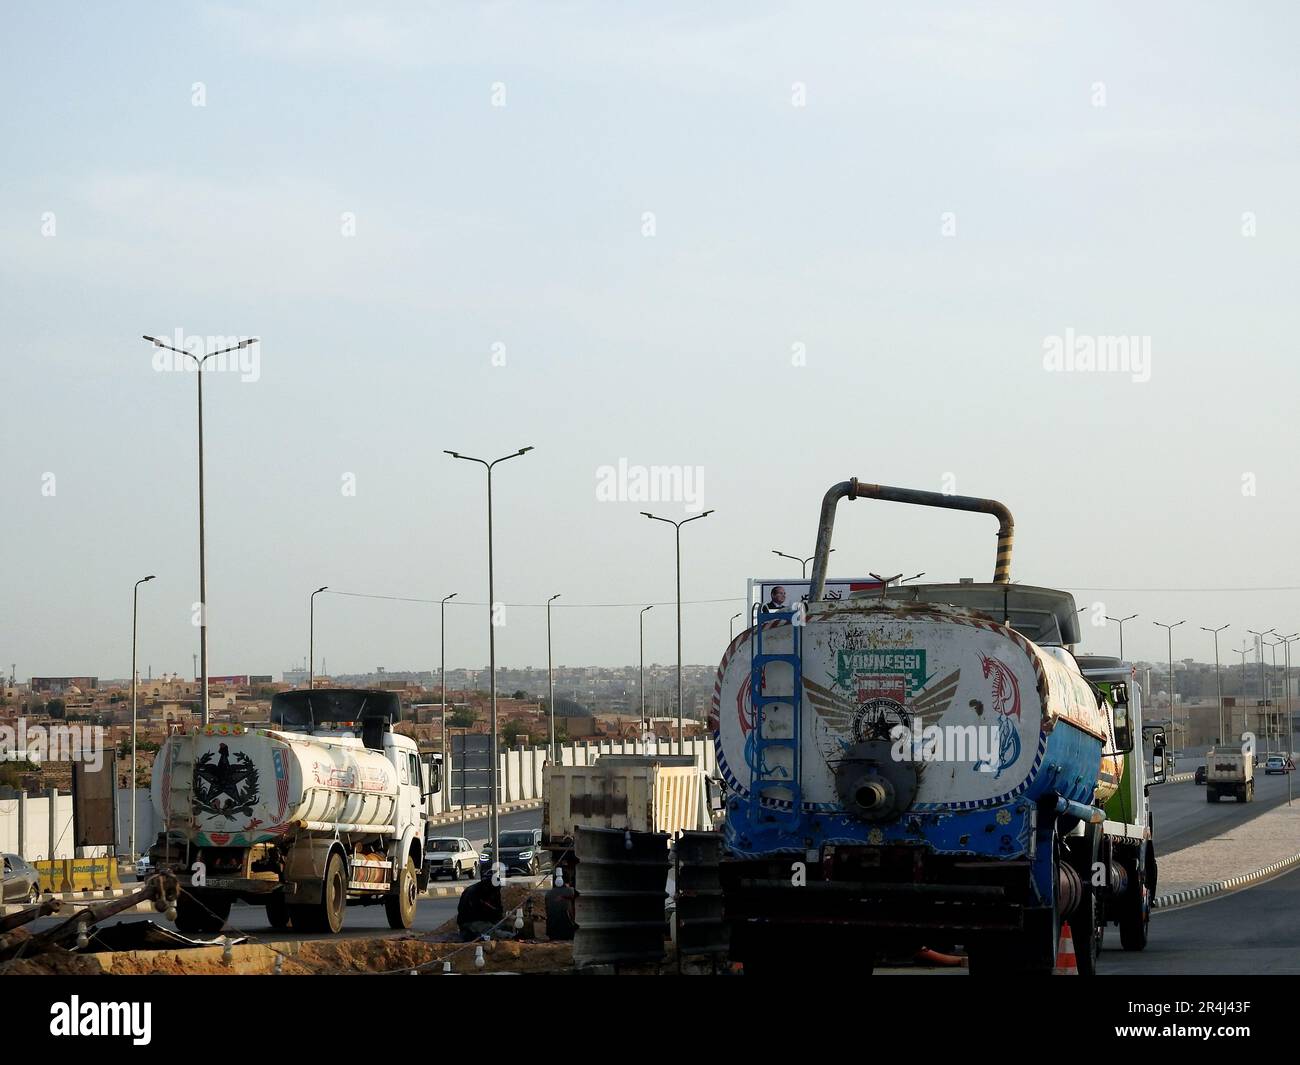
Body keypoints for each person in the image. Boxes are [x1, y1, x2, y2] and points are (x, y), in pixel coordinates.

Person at [457, 875, 506, 941]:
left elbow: (498, 908)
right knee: (490, 931)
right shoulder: (473, 892)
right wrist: (491, 916)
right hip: (470, 921)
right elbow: (474, 913)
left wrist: (498, 915)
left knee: (505, 926)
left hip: (486, 920)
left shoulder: (494, 890)